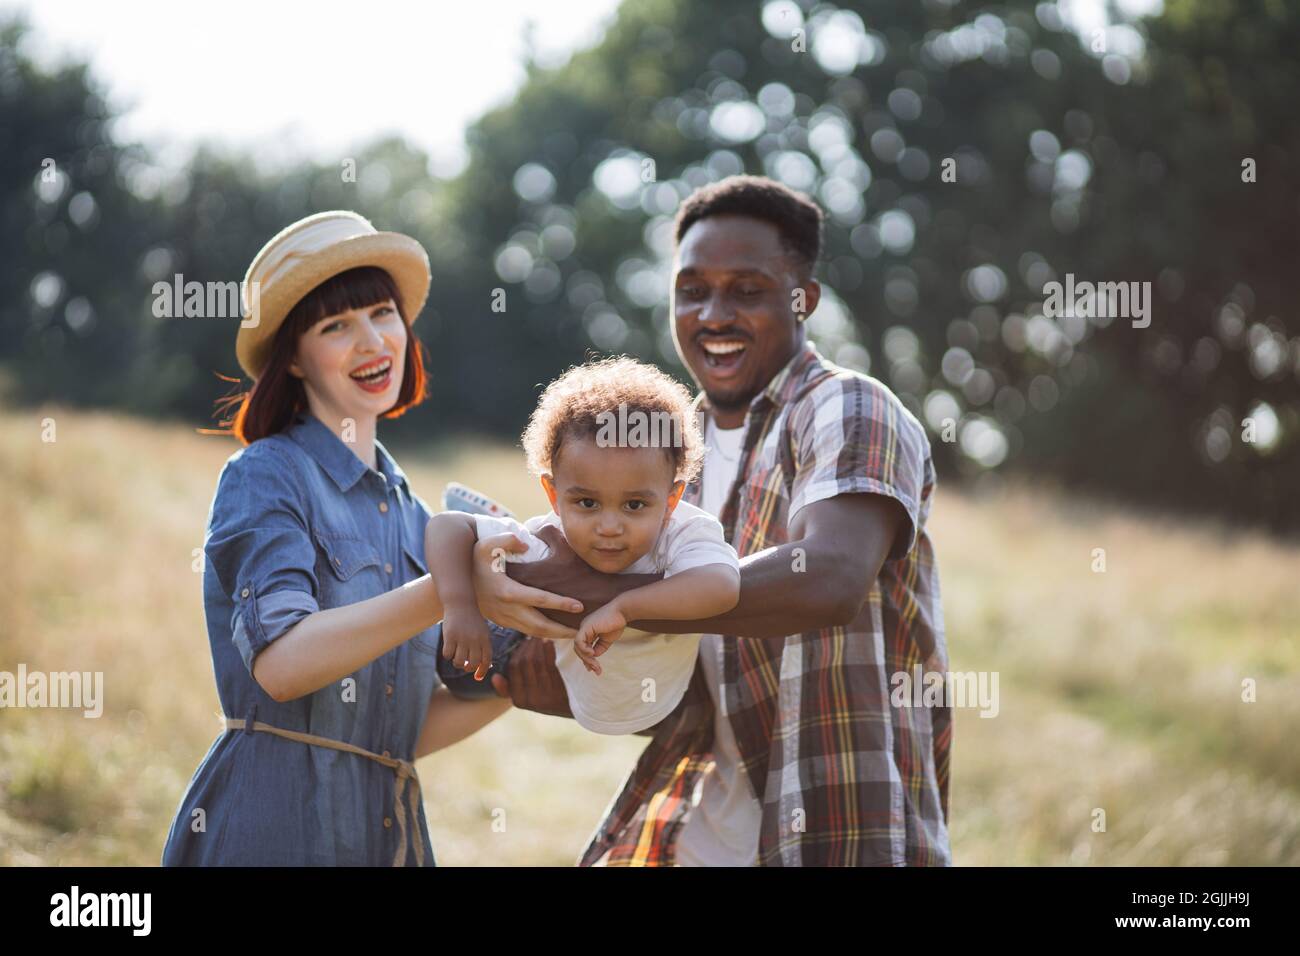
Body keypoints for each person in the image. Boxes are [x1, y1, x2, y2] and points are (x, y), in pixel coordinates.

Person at [476, 176, 952, 866]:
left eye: (748, 290)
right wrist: (578, 685)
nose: (714, 313)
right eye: (692, 289)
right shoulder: (669, 456)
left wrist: (566, 599)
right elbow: (701, 689)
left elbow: (830, 579)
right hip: (699, 834)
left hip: (842, 832)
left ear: (804, 300)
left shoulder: (846, 407)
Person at [160, 211, 557, 866]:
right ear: (292, 357)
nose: (372, 341)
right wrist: (451, 588)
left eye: (382, 313)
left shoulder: (415, 516)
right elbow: (282, 666)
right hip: (272, 835)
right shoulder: (266, 475)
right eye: (335, 326)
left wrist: (523, 674)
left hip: (387, 839)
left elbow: (402, 730)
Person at [425, 357, 740, 735]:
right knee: (453, 666)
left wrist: (624, 608)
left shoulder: (685, 532)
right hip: (522, 633)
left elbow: (722, 587)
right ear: (553, 494)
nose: (609, 527)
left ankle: (494, 524)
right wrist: (459, 605)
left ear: (672, 500)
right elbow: (444, 526)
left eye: (635, 505)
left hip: (654, 698)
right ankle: (492, 531)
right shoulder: (551, 537)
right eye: (587, 503)